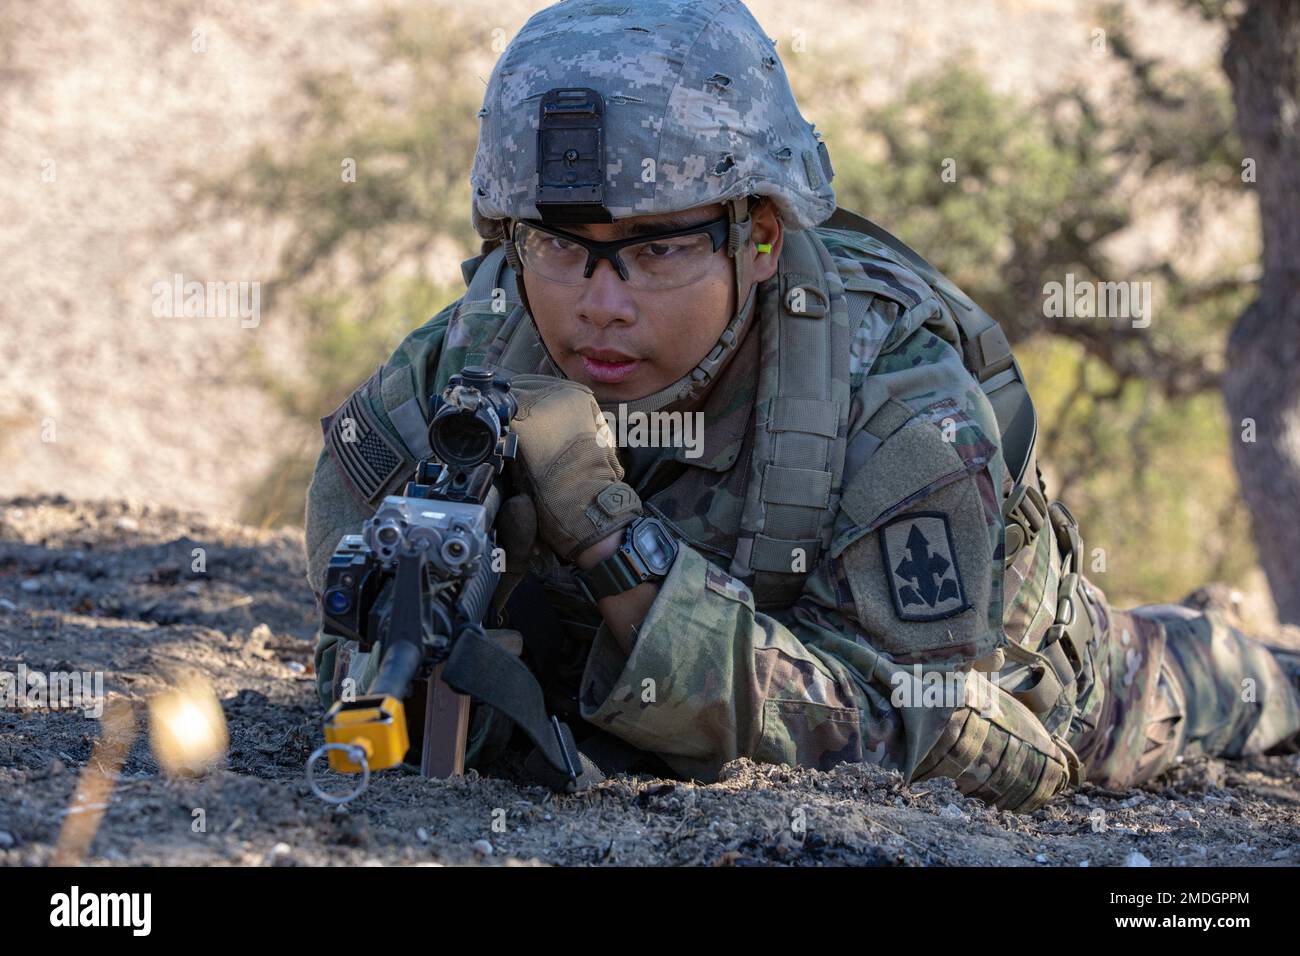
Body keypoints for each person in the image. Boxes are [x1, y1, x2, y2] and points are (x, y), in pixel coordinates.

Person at [304, 0, 1300, 810]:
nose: (597, 303)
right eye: (560, 244)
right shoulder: (471, 349)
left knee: (1227, 681)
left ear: (763, 237)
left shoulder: (900, 399)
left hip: (1023, 665)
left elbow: (912, 728)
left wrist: (611, 543)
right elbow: (350, 621)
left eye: (655, 248)